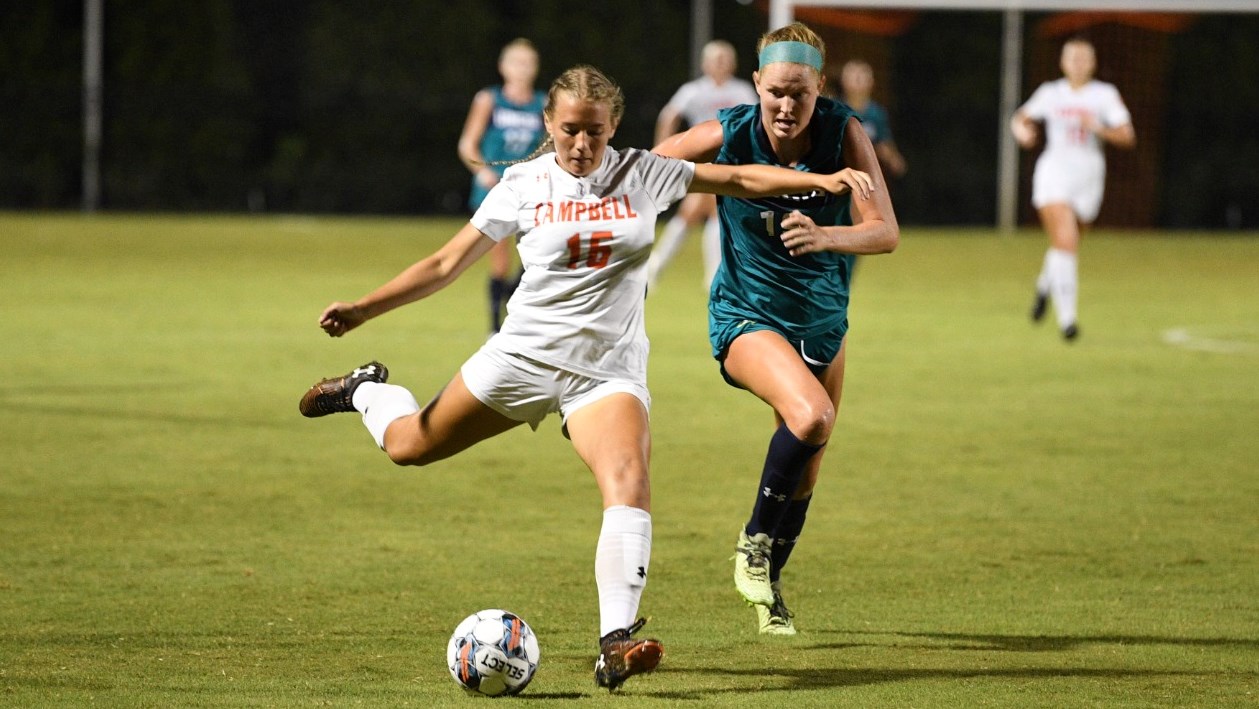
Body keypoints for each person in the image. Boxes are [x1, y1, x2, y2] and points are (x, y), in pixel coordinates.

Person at [298, 65, 874, 688]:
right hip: (521, 359)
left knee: (629, 482)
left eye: (595, 133)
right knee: (409, 445)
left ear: (613, 128)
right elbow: (443, 264)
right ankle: (365, 389)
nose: (581, 145)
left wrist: (817, 178)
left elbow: (735, 177)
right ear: (550, 124)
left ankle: (615, 643)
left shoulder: (643, 173)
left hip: (606, 374)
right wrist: (363, 309)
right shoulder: (523, 183)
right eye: (570, 130)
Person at [654, 22, 899, 636]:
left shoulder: (844, 132)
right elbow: (651, 163)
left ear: (821, 85)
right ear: (756, 83)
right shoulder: (730, 131)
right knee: (813, 416)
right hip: (747, 316)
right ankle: (753, 546)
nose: (787, 106)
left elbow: (885, 230)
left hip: (822, 321)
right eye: (776, 93)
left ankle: (770, 595)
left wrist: (828, 236)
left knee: (808, 469)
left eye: (801, 93)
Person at [1011, 36, 1135, 341]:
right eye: (1073, 58)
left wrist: (1098, 128)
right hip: (1054, 172)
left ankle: (1044, 285)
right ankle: (1068, 321)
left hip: (1089, 175)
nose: (1078, 63)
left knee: (1067, 243)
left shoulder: (1104, 95)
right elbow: (1020, 117)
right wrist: (1022, 133)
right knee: (1066, 240)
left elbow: (1127, 135)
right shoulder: (1051, 93)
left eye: (1084, 58)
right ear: (1063, 63)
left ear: (1093, 63)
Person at [647, 40, 758, 291]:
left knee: (699, 211)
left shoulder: (742, 90)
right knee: (705, 210)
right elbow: (669, 116)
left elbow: (759, 121)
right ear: (705, 64)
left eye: (725, 59)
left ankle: (658, 265)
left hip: (732, 161)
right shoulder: (695, 90)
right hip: (702, 160)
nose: (721, 64)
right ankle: (710, 275)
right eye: (717, 59)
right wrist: (662, 152)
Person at [457, 38, 546, 333]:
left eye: (528, 63)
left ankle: (515, 302)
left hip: (530, 189)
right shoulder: (490, 100)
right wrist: (481, 170)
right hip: (494, 187)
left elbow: (550, 146)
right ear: (503, 67)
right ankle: (495, 326)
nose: (522, 69)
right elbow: (468, 143)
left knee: (538, 255)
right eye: (516, 63)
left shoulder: (542, 104)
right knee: (499, 259)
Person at [838, 59, 907, 179]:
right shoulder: (835, 110)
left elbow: (884, 142)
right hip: (839, 172)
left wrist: (893, 158)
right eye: (854, 77)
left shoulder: (877, 113)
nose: (858, 81)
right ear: (843, 81)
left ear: (871, 82)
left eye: (862, 77)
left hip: (868, 175)